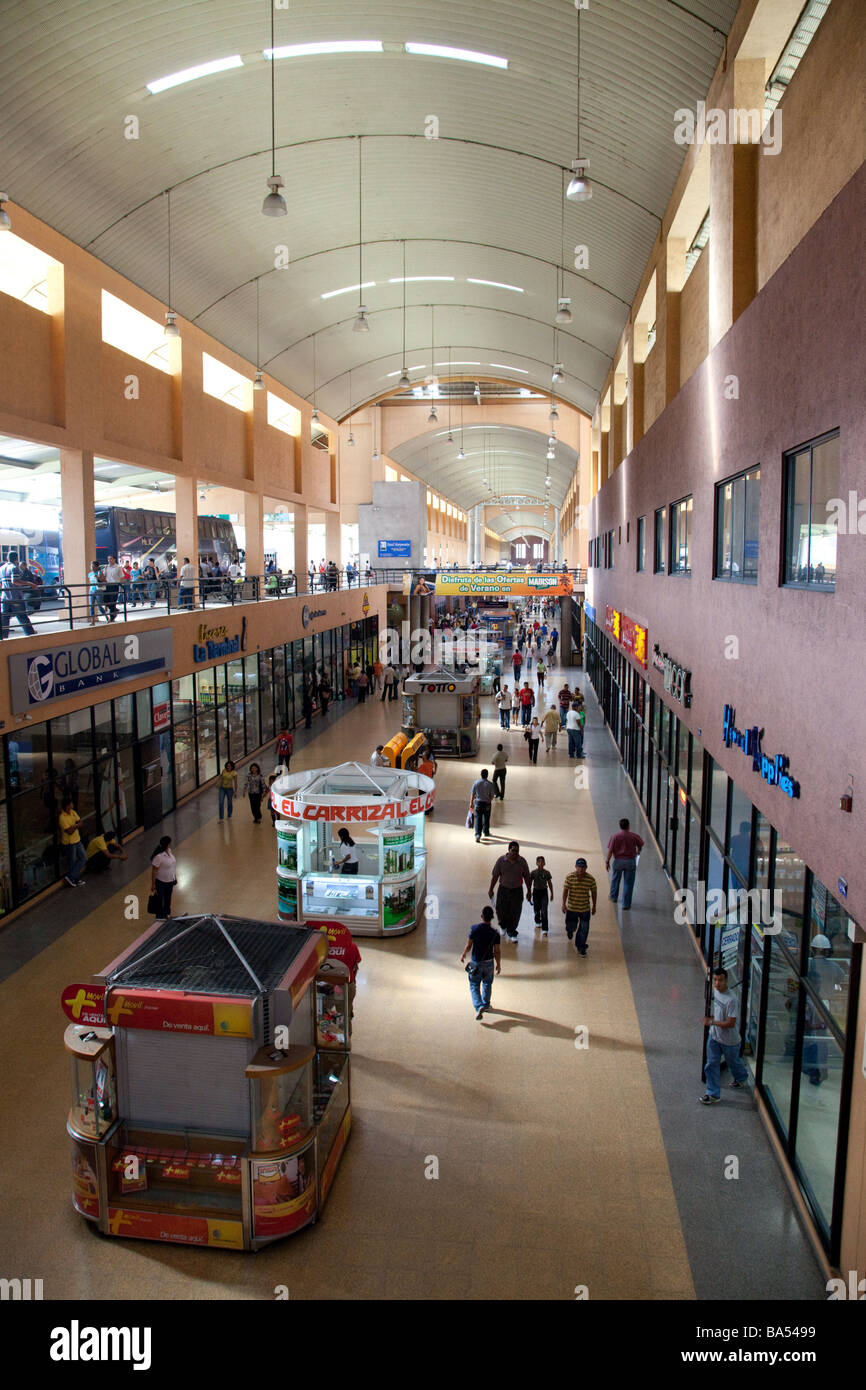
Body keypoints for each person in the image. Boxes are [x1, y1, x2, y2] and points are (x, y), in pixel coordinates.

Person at [700, 968, 749, 1104]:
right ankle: (713, 1094)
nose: (717, 983)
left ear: (726, 980)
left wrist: (712, 1021)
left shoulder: (731, 1000)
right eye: (715, 980)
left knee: (733, 1062)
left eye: (720, 980)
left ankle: (741, 1077)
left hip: (730, 1042)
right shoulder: (715, 991)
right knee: (711, 1064)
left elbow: (731, 1023)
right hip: (714, 1037)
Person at [459, 905, 501, 1021]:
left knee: (474, 984)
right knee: (487, 983)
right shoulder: (495, 933)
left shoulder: (474, 929)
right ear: (492, 917)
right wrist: (498, 964)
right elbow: (497, 951)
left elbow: (469, 945)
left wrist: (463, 954)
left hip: (476, 962)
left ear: (482, 916)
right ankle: (486, 1004)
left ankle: (478, 1006)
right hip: (488, 963)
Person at [488, 841, 532, 942]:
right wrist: (491, 889)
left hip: (517, 890)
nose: (515, 853)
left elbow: (527, 877)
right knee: (501, 909)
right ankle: (503, 926)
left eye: (517, 851)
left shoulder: (522, 862)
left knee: (515, 912)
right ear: (508, 850)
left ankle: (512, 931)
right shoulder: (501, 861)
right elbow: (495, 875)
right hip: (503, 889)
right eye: (513, 850)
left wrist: (529, 891)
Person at [561, 857, 598, 956]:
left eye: (583, 867)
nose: (581, 869)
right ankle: (570, 931)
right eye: (579, 867)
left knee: (584, 929)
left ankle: (581, 947)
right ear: (575, 867)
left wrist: (594, 906)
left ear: (586, 868)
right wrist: (563, 904)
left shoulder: (591, 879)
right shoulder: (569, 877)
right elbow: (565, 891)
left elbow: (594, 892)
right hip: (572, 909)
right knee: (571, 926)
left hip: (584, 909)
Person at [605, 817, 644, 910]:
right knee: (628, 883)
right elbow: (641, 844)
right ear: (628, 826)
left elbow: (610, 850)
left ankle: (613, 897)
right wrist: (638, 851)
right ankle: (626, 904)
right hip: (630, 861)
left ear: (620, 826)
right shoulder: (634, 836)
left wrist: (607, 861)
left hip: (618, 861)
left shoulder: (615, 836)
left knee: (615, 880)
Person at [0, 552, 37, 638]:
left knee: (4, 619)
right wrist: (30, 584)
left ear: (7, 558)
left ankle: (3, 638)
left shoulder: (1, 568)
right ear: (16, 558)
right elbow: (15, 581)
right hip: (15, 597)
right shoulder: (14, 568)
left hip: (5, 597)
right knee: (22, 617)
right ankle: (30, 635)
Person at [59, 797, 87, 886]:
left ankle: (71, 877)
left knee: (83, 858)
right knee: (72, 861)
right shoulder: (62, 818)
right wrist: (76, 825)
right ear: (68, 805)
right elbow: (69, 831)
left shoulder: (73, 812)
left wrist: (74, 826)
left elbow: (81, 822)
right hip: (69, 843)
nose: (73, 805)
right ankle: (73, 878)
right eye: (71, 803)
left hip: (77, 840)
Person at [150, 835, 177, 917]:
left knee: (168, 899)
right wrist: (153, 884)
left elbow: (172, 866)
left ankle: (167, 913)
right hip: (160, 882)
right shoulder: (159, 856)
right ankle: (159, 916)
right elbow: (154, 871)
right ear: (167, 844)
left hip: (170, 880)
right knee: (160, 899)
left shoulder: (169, 851)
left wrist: (175, 877)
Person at [469, 768, 495, 843]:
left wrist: (471, 803)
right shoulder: (490, 784)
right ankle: (486, 832)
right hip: (487, 803)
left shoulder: (476, 783)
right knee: (486, 818)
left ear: (481, 775)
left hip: (478, 803)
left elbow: (473, 794)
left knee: (478, 819)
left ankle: (478, 835)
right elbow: (492, 796)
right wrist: (489, 800)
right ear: (487, 775)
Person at [530, 856, 554, 934]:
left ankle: (545, 929)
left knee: (544, 911)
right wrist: (529, 892)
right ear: (536, 863)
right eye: (539, 861)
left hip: (544, 893)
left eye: (542, 861)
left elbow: (550, 883)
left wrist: (552, 893)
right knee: (536, 910)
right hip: (536, 892)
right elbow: (529, 883)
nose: (540, 863)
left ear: (544, 863)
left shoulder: (547, 873)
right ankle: (537, 920)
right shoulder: (533, 872)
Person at [103, 554, 124, 620]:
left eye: (111, 559)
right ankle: (114, 609)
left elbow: (121, 577)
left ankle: (112, 617)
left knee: (112, 601)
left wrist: (121, 587)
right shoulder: (106, 567)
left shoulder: (118, 567)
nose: (109, 560)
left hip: (114, 585)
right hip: (107, 585)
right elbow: (104, 576)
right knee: (105, 600)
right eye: (108, 559)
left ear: (114, 559)